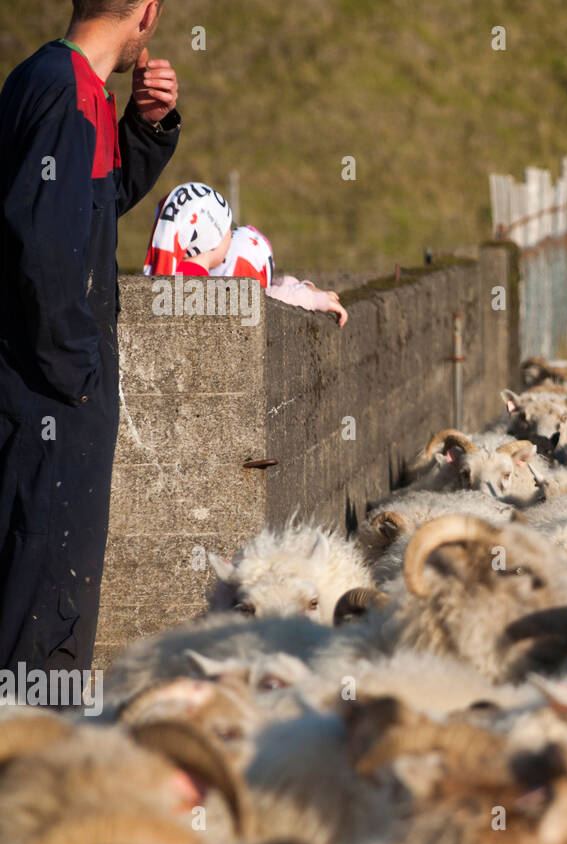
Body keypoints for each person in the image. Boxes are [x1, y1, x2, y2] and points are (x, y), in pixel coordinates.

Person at [0, 0, 179, 675]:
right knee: (42, 608)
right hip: (45, 401)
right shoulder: (65, 92)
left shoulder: (68, 86)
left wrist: (147, 129)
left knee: (49, 596)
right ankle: (29, 764)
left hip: (47, 391)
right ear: (148, 13)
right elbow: (44, 250)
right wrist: (79, 377)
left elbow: (89, 207)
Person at [213, 224, 350, 326]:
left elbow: (282, 285)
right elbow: (283, 296)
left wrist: (306, 287)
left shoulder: (216, 267)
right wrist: (321, 300)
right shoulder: (253, 293)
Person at [142, 181, 232, 277]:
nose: (231, 235)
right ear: (213, 238)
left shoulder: (164, 273)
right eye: (228, 227)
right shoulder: (211, 288)